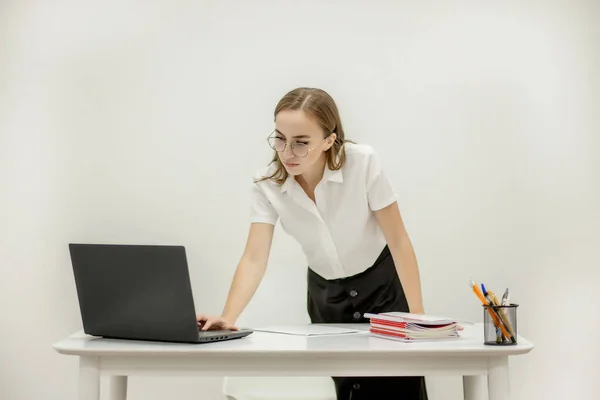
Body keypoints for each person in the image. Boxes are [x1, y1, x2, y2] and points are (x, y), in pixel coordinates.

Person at [196, 87, 428, 400]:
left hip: (382, 288)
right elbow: (254, 257)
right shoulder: (267, 184)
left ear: (330, 140)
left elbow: (398, 241)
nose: (287, 152)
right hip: (325, 295)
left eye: (301, 143)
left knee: (400, 384)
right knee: (349, 388)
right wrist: (228, 317)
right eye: (280, 138)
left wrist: (419, 320)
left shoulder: (362, 162)